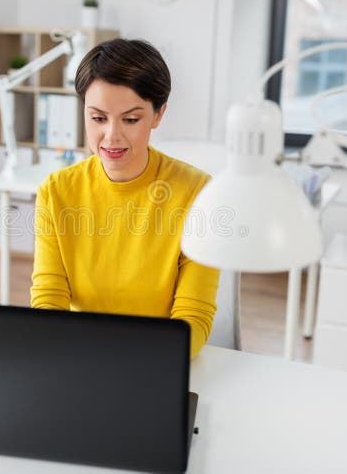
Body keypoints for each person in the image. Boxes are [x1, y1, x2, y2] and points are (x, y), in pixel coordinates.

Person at [30, 38, 220, 357]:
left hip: (158, 361)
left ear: (158, 115)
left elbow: (194, 314)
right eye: (98, 118)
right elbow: (49, 298)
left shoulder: (198, 193)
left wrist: (144, 363)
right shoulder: (56, 191)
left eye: (131, 120)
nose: (112, 136)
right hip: (78, 356)